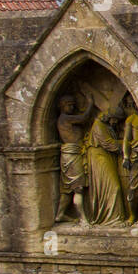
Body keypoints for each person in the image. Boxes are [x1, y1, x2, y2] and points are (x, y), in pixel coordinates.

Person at [83, 105, 127, 225]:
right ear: (110, 116)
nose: (116, 122)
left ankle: (114, 217)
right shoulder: (98, 125)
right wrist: (127, 143)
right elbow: (108, 143)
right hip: (99, 158)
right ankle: (111, 219)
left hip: (106, 157)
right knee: (113, 187)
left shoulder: (107, 126)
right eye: (115, 119)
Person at [54, 93, 93, 224]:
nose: (71, 108)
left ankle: (60, 214)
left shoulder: (66, 118)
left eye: (72, 105)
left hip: (71, 154)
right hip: (72, 155)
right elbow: (84, 118)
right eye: (69, 105)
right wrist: (91, 103)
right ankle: (83, 219)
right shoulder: (65, 118)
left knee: (67, 189)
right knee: (78, 188)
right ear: (62, 106)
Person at [120, 94, 138, 225]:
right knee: (133, 189)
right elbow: (126, 139)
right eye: (132, 104)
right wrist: (126, 156)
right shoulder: (132, 119)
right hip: (137, 156)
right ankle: (132, 215)